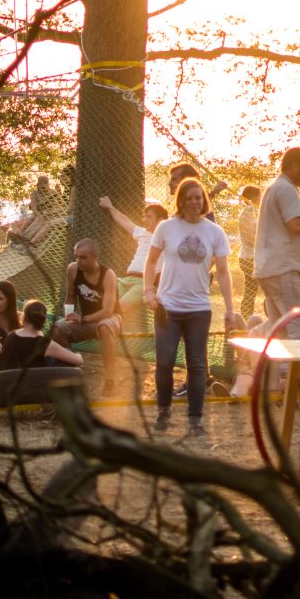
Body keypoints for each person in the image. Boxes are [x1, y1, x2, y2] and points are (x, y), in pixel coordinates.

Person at [144, 178, 240, 434]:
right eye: (189, 198)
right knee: (164, 362)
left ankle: (195, 419)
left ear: (204, 200)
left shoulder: (214, 232)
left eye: (199, 197)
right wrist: (148, 291)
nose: (195, 202)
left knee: (197, 365)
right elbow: (151, 262)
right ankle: (163, 413)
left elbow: (222, 272)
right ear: (181, 201)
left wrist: (230, 309)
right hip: (168, 307)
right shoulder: (166, 227)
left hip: (198, 308)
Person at [253, 148, 300, 333]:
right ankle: (256, 344)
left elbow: (288, 225)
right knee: (298, 325)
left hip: (269, 268)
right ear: (294, 165)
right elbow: (296, 226)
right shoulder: (286, 189)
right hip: (284, 269)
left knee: (279, 329)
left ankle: (259, 350)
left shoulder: (275, 187)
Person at [55, 237, 128, 396]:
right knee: (57, 329)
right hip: (86, 319)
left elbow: (108, 311)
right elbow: (71, 296)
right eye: (76, 257)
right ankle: (71, 370)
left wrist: (82, 319)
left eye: (83, 257)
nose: (78, 261)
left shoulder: (108, 275)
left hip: (112, 318)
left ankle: (110, 380)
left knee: (104, 326)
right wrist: (68, 316)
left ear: (94, 257)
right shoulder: (73, 269)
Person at [99, 194, 167, 308]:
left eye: (149, 217)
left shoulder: (168, 239)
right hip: (126, 279)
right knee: (104, 304)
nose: (144, 220)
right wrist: (110, 207)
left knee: (120, 307)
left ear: (160, 220)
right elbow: (125, 221)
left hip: (143, 283)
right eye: (144, 216)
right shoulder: (142, 233)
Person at [0, 300, 84, 373]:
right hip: (31, 388)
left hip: (6, 387)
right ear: (43, 322)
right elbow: (78, 361)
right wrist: (77, 354)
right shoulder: (43, 343)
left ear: (25, 317)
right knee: (63, 359)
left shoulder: (10, 336)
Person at [236, 184, 261, 317]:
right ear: (253, 197)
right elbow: (252, 236)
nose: (260, 198)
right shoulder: (247, 212)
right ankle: (246, 317)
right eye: (258, 196)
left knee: (251, 291)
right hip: (249, 258)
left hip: (251, 257)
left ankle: (247, 316)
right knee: (251, 292)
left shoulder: (251, 212)